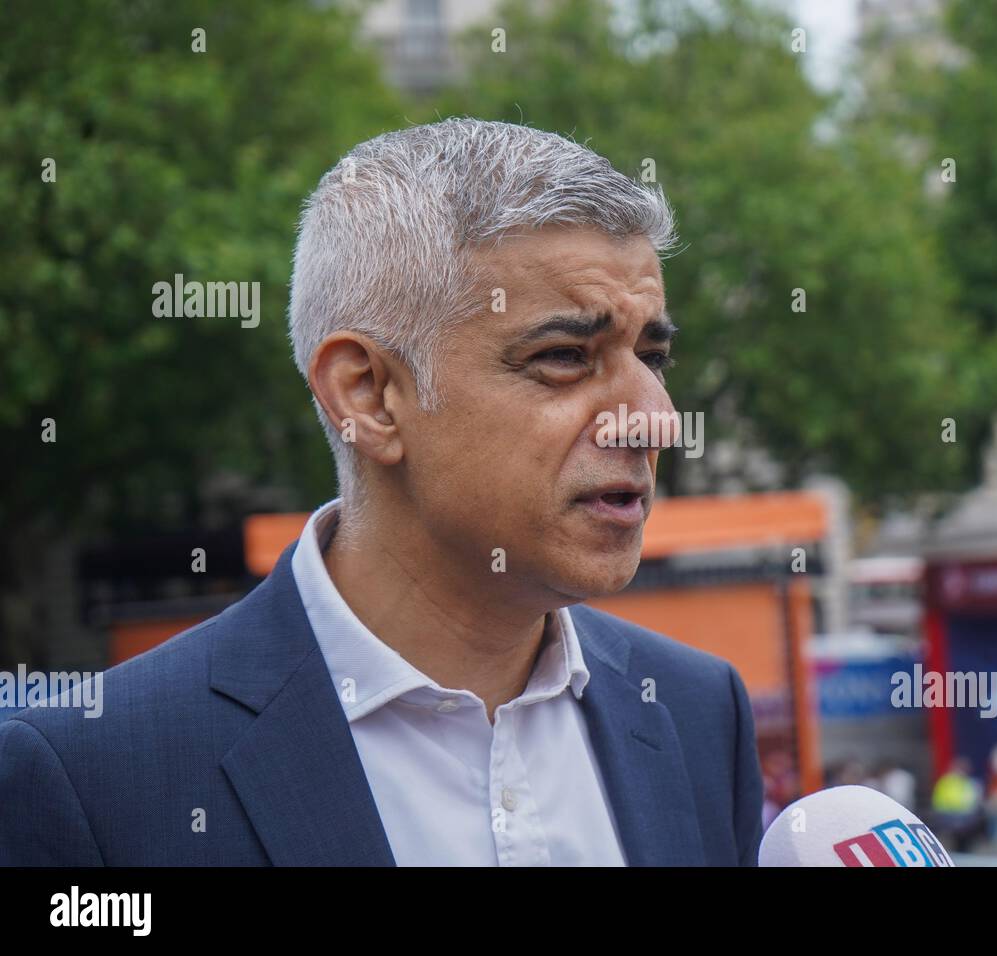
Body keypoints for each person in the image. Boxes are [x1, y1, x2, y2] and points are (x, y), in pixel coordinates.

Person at [0, 119, 764, 866]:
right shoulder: (93, 776)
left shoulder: (698, 713)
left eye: (652, 355)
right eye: (565, 356)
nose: (656, 421)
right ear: (366, 396)